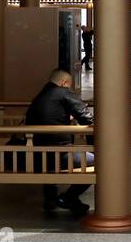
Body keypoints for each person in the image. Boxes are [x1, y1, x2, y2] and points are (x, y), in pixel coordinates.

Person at [20, 69, 94, 215]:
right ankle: (69, 197)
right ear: (64, 82)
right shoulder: (63, 92)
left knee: (48, 159)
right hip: (60, 155)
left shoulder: (38, 98)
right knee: (101, 162)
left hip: (37, 156)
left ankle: (51, 198)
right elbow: (87, 117)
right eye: (69, 85)